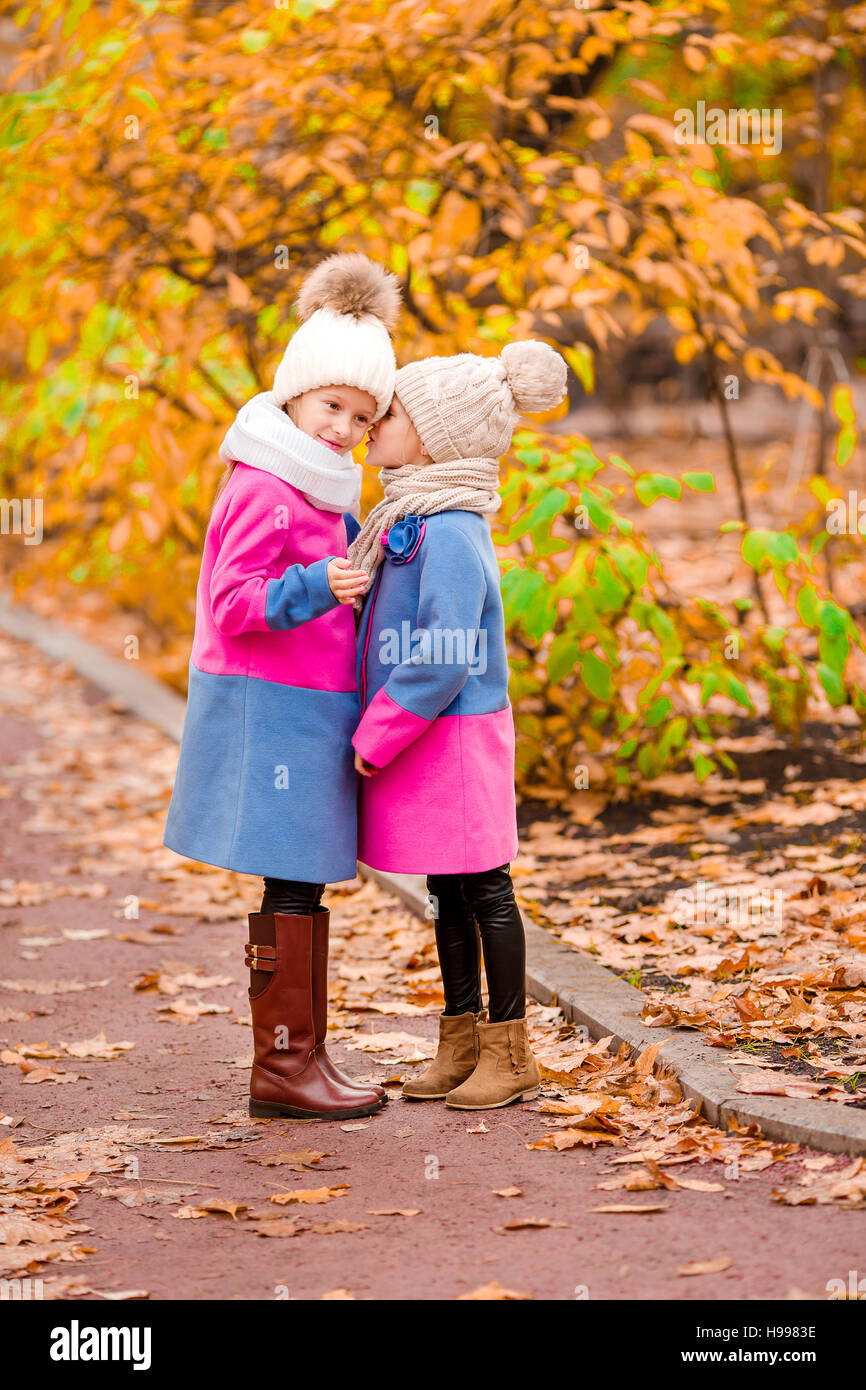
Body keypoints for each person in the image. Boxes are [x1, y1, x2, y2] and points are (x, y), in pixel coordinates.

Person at [164, 252, 401, 1120]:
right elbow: (232, 603)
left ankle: (303, 1058)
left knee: (300, 883)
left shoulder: (319, 481)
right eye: (331, 405)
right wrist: (319, 586)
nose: (343, 427)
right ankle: (284, 1067)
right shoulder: (268, 483)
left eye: (361, 415)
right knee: (290, 882)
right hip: (272, 711)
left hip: (308, 707)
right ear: (295, 394)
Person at [347, 341, 568, 1108]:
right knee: (447, 888)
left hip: (456, 735)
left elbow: (442, 656)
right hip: (431, 734)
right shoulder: (413, 514)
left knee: (485, 887)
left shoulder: (450, 530)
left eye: (393, 414)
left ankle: (512, 1053)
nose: (374, 422)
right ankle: (461, 1038)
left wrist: (375, 734)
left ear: (437, 436)